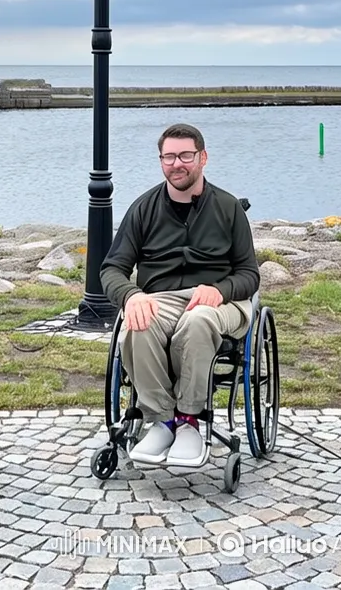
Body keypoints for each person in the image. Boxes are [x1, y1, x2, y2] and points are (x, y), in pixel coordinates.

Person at [100, 123, 259, 467]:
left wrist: (219, 291)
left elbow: (249, 275)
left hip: (223, 301)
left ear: (203, 158)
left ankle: (190, 419)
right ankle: (162, 420)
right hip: (165, 299)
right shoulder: (143, 209)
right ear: (161, 161)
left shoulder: (229, 208)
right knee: (138, 323)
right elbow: (111, 269)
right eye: (169, 156)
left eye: (186, 155)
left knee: (199, 320)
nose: (177, 163)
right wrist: (130, 296)